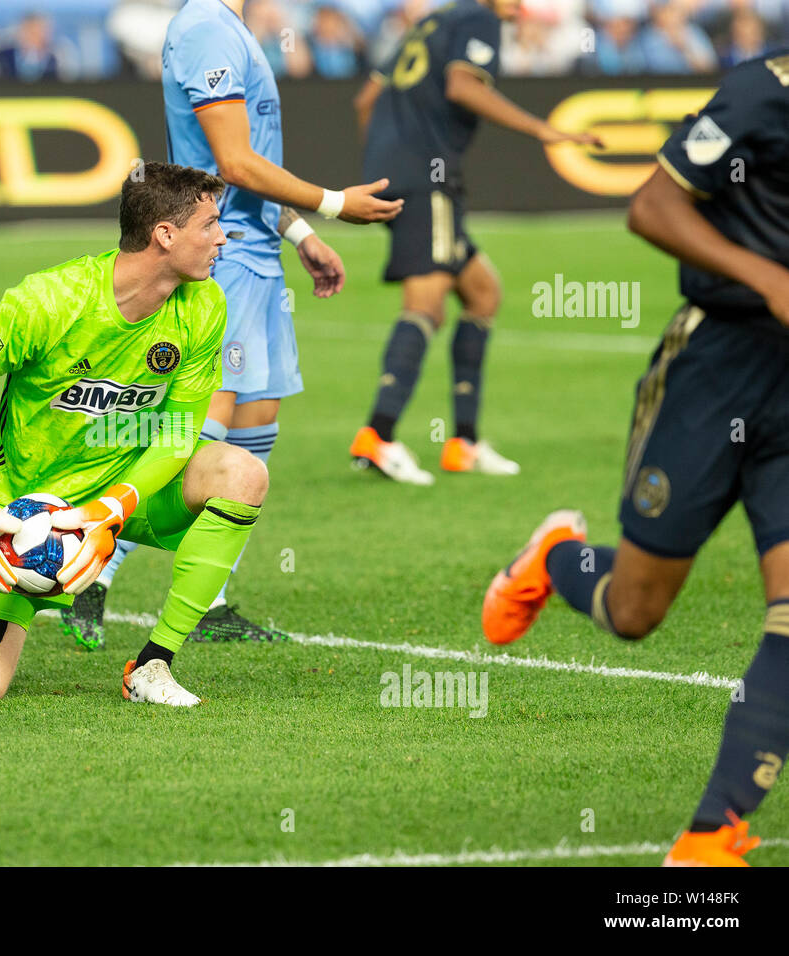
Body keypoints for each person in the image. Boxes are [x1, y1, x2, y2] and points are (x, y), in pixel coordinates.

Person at [482, 51, 789, 865]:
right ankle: (557, 556)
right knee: (635, 612)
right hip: (716, 371)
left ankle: (711, 834)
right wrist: (768, 277)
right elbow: (651, 205)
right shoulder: (766, 91)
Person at [61, 0, 403, 650]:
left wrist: (299, 232)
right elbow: (234, 163)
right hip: (219, 259)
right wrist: (333, 205)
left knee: (253, 434)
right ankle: (93, 559)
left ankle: (209, 598)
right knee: (200, 437)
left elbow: (240, 171)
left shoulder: (229, 26)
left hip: (256, 254)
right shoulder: (208, 28)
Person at [0, 162, 277, 707]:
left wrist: (111, 508)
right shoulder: (49, 300)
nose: (222, 237)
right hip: (29, 503)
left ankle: (152, 665)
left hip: (127, 488)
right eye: (211, 224)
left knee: (241, 472)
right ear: (165, 234)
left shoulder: (205, 305)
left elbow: (178, 433)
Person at [350, 0, 600, 485]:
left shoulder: (431, 20)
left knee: (483, 292)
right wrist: (541, 129)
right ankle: (378, 434)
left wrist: (386, 163)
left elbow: (366, 100)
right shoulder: (478, 18)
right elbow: (462, 86)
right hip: (428, 177)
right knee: (426, 303)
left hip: (399, 172)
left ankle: (463, 441)